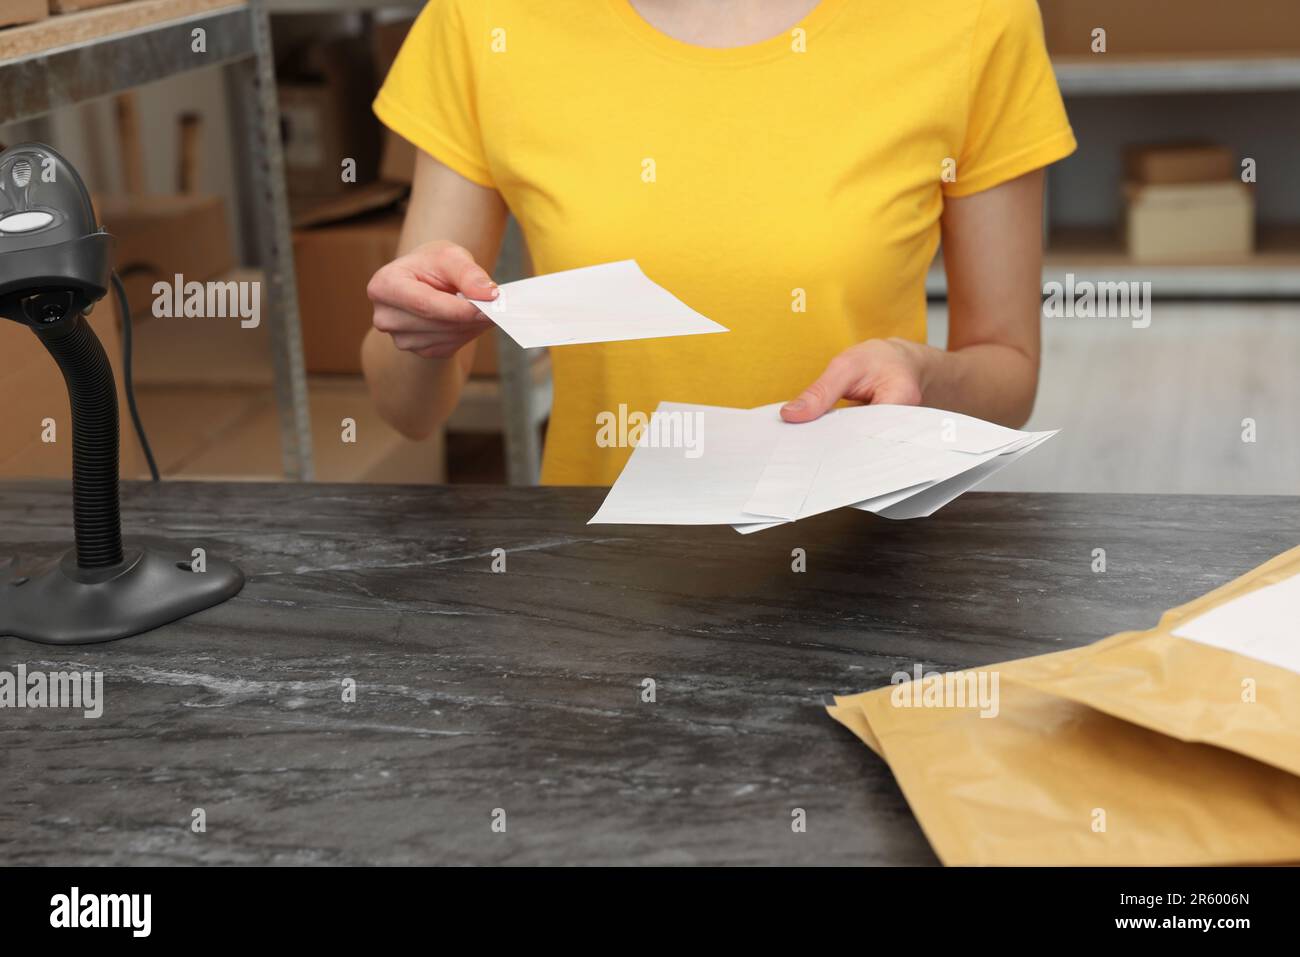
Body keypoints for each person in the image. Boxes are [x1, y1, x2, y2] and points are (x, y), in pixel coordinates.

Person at [364, 0, 1075, 485]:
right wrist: (419, 331)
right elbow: (410, 408)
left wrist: (921, 371)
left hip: (865, 579)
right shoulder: (487, 19)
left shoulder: (968, 18)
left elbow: (1009, 376)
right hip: (605, 595)